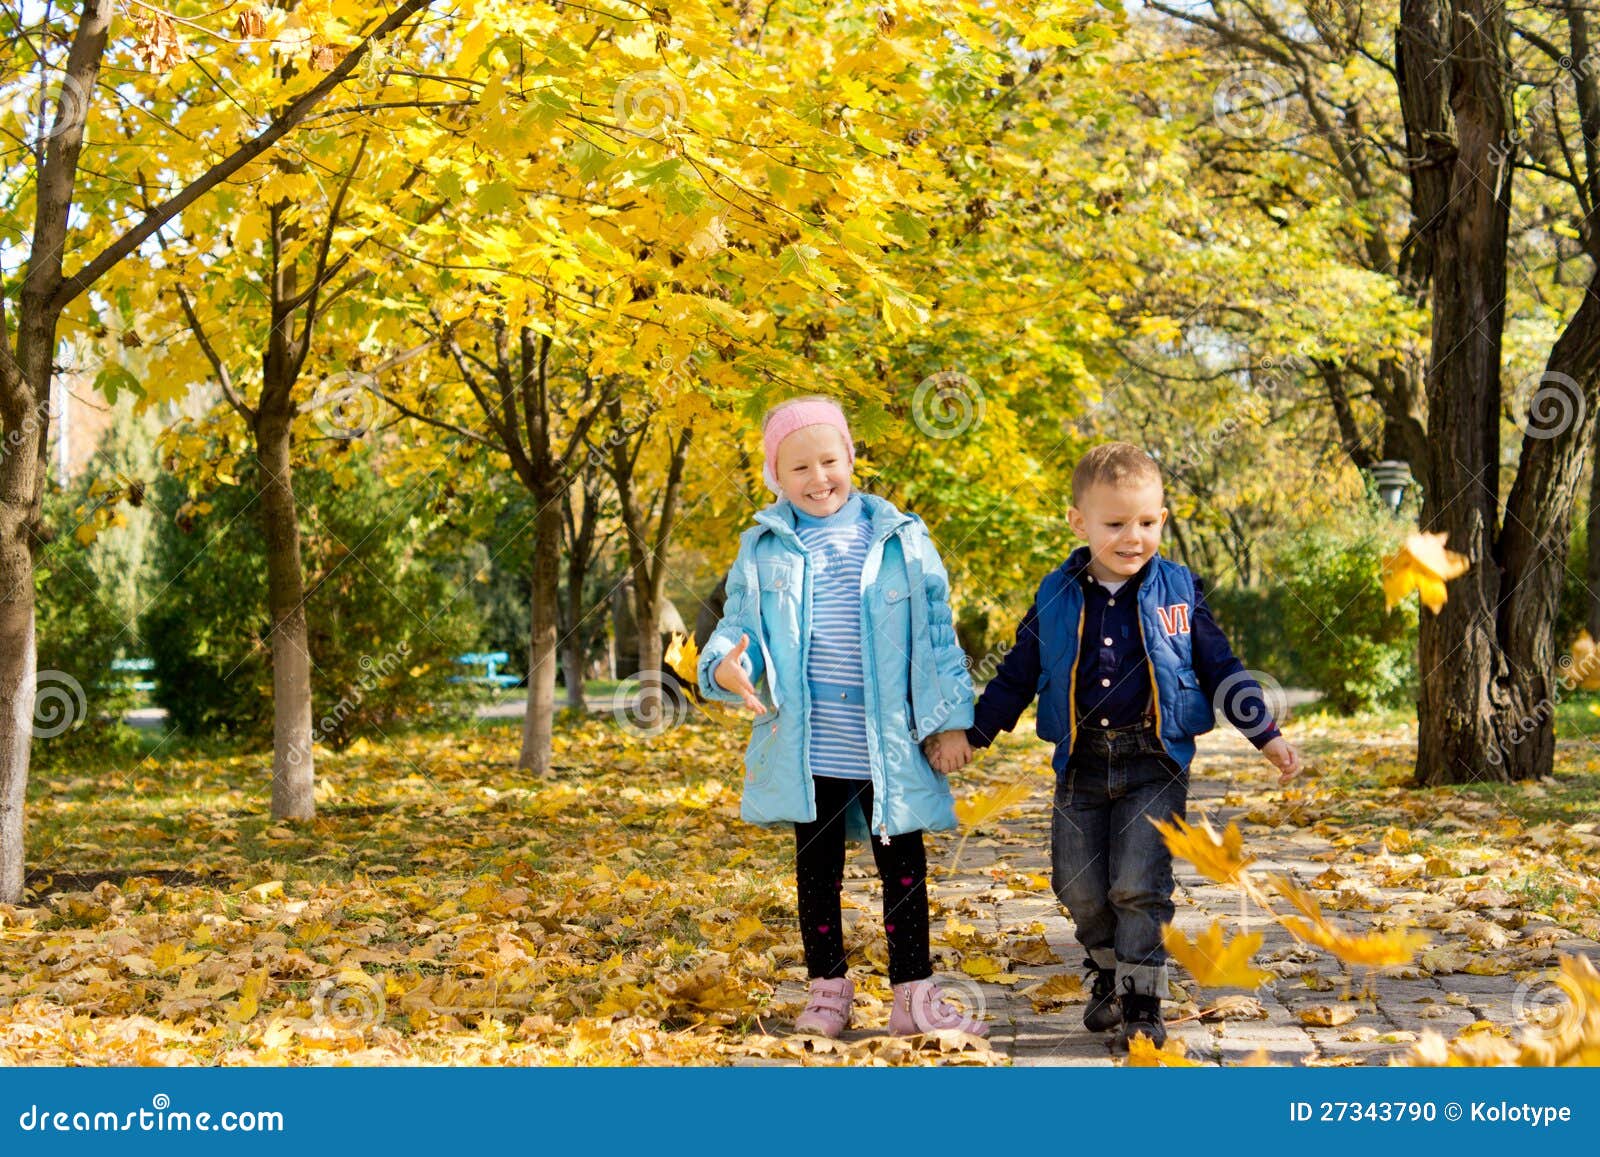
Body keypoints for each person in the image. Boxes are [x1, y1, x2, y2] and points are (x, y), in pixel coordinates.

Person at [923, 441, 1301, 1052]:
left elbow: (1219, 665)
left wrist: (1266, 735)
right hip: (1081, 763)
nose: (1134, 537)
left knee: (1137, 883)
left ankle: (1141, 1002)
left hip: (1155, 761)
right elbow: (1017, 675)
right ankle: (1106, 967)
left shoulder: (1179, 591)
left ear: (1163, 519)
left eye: (1148, 522)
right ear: (1079, 523)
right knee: (1076, 884)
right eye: (1116, 523)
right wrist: (974, 734)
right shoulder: (1055, 595)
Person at [697, 395, 984, 1038]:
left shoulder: (900, 539)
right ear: (776, 476)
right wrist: (724, 666)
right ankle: (827, 989)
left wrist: (949, 722)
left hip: (888, 745)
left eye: (830, 460)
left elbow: (936, 638)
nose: (818, 478)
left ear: (851, 458)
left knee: (903, 872)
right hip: (812, 746)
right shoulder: (764, 545)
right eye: (798, 468)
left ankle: (914, 992)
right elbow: (737, 625)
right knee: (817, 871)